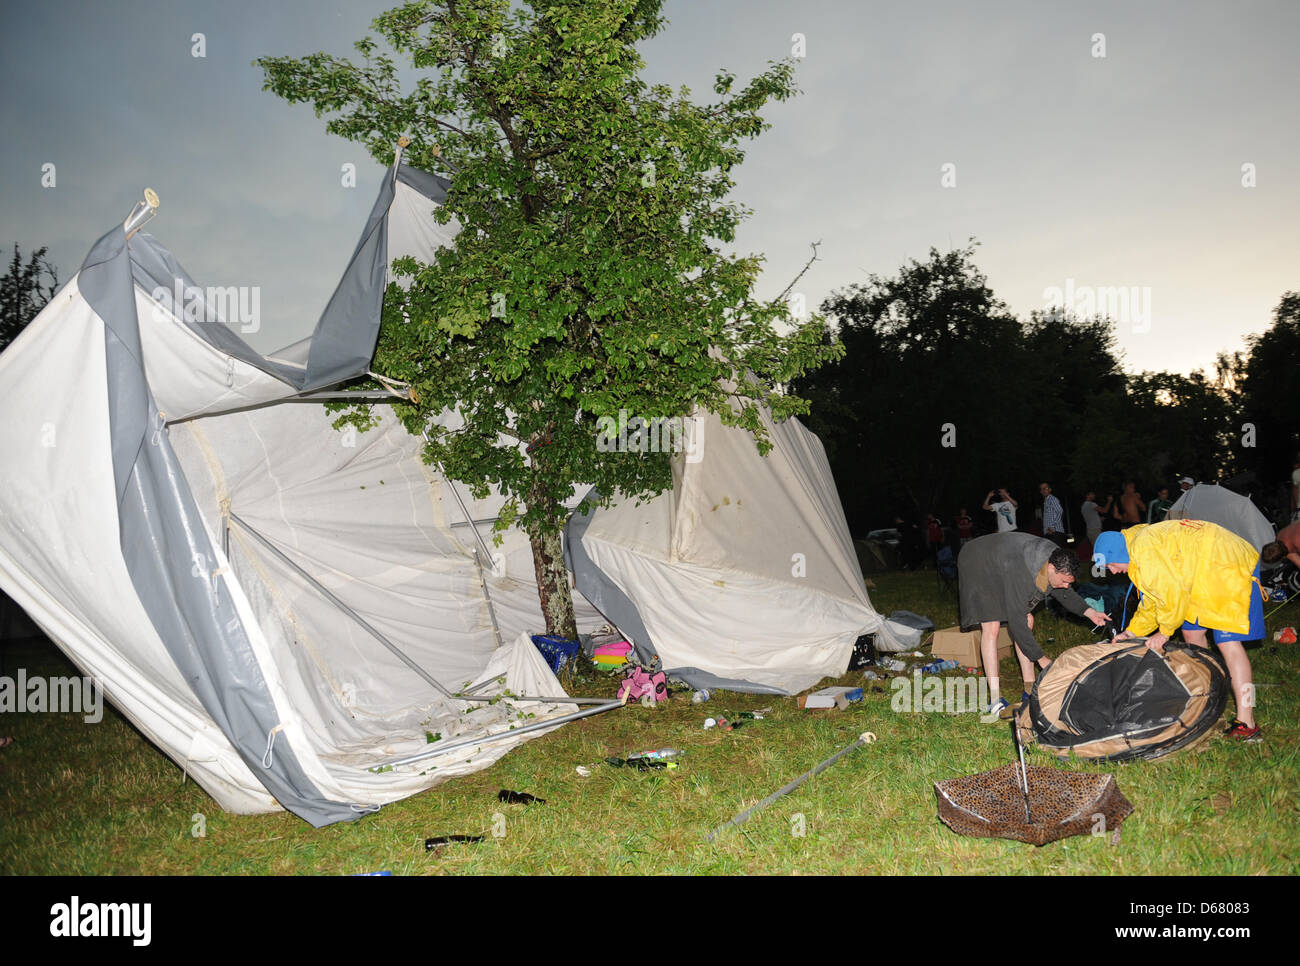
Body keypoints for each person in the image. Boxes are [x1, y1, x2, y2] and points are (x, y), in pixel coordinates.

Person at [1094, 522, 1265, 742]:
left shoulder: (1145, 550)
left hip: (1227, 562)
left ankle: (1247, 723)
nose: (1112, 571)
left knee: (1227, 642)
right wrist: (1131, 632)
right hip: (1200, 571)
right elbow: (1154, 601)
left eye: (1111, 564)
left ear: (1119, 554)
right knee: (1191, 634)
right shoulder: (1136, 554)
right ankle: (1207, 701)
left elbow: (1171, 592)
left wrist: (1165, 632)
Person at [958, 532, 1110, 722]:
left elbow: (1063, 592)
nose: (1066, 586)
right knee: (991, 626)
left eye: (1069, 582)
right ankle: (995, 699)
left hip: (1004, 559)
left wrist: (1089, 612)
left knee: (1028, 619)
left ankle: (1029, 690)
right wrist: (1041, 658)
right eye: (1064, 581)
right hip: (979, 561)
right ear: (1051, 568)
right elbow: (1016, 622)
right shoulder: (1022, 573)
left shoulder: (1056, 559)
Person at [1039, 482, 1067, 548]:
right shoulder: (1046, 501)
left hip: (1055, 532)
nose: (1043, 490)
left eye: (1045, 488)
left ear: (1050, 490)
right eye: (1041, 489)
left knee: (1057, 552)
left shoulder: (1052, 499)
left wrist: (1052, 527)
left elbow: (1060, 512)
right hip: (1049, 532)